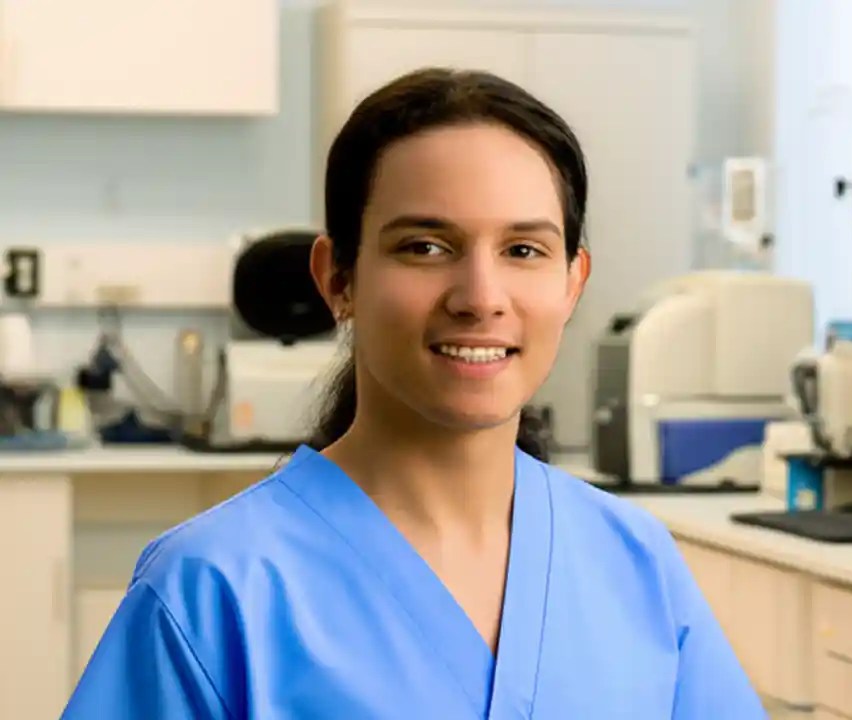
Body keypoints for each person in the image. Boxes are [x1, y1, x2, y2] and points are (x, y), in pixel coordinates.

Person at [62, 68, 765, 719]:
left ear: (573, 282)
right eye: (426, 247)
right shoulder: (213, 591)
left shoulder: (634, 561)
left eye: (524, 250)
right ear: (338, 277)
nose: (480, 298)